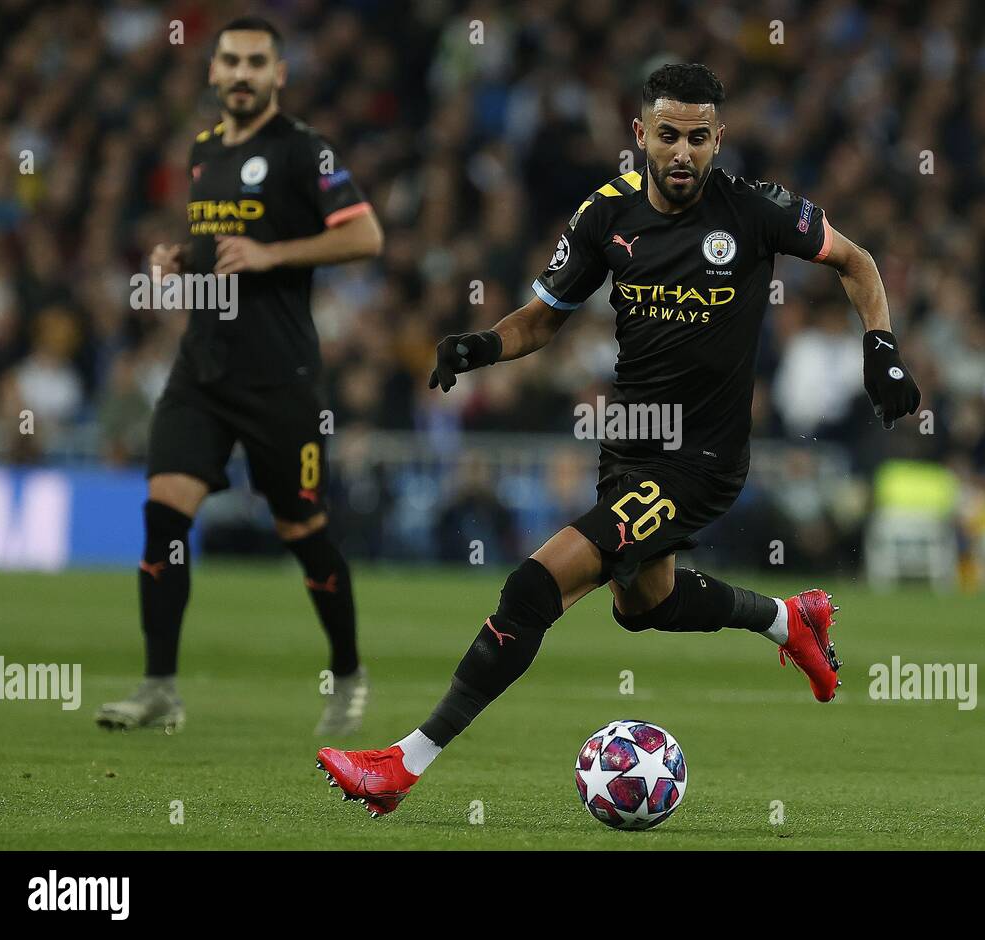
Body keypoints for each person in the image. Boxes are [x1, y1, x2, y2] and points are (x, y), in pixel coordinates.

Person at [317, 63, 919, 816]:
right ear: (640, 135)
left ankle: (402, 764)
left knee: (534, 585)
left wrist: (882, 349)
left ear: (718, 139)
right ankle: (787, 620)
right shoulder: (604, 215)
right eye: (668, 135)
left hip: (701, 463)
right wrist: (480, 346)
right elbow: (541, 318)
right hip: (629, 447)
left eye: (699, 138)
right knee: (642, 605)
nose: (683, 152)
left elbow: (858, 263)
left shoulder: (758, 210)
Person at [96, 16, 383, 735]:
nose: (244, 72)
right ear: (214, 72)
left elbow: (365, 235)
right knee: (164, 517)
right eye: (232, 60)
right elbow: (216, 251)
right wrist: (176, 261)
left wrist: (271, 254)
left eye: (259, 61)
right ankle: (160, 685)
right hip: (201, 371)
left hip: (278, 380)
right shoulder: (200, 152)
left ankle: (347, 673)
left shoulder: (304, 151)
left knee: (304, 533)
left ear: (280, 74)